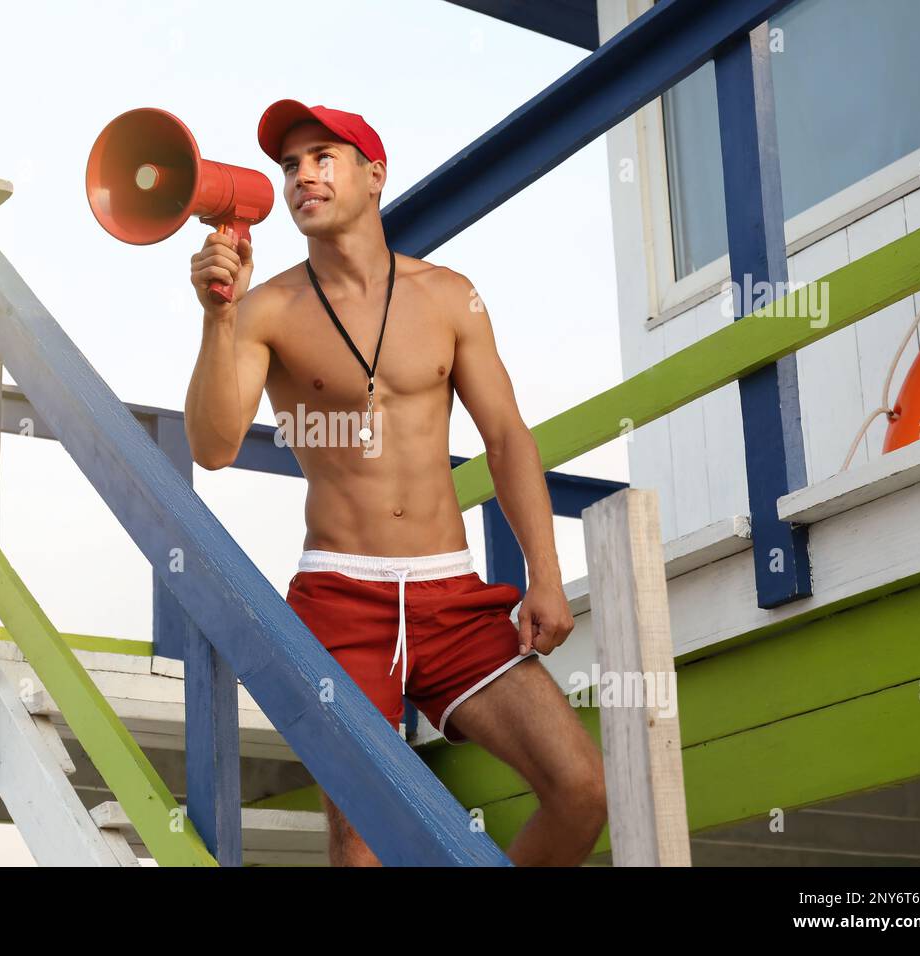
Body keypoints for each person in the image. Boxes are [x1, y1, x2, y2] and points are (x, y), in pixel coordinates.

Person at [183, 99, 606, 866]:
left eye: (322, 157)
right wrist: (218, 319)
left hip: (453, 597)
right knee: (362, 839)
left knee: (581, 789)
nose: (302, 175)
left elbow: (506, 437)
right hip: (340, 596)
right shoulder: (266, 308)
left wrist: (544, 573)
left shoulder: (448, 295)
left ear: (374, 175)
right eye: (290, 165)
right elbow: (212, 448)